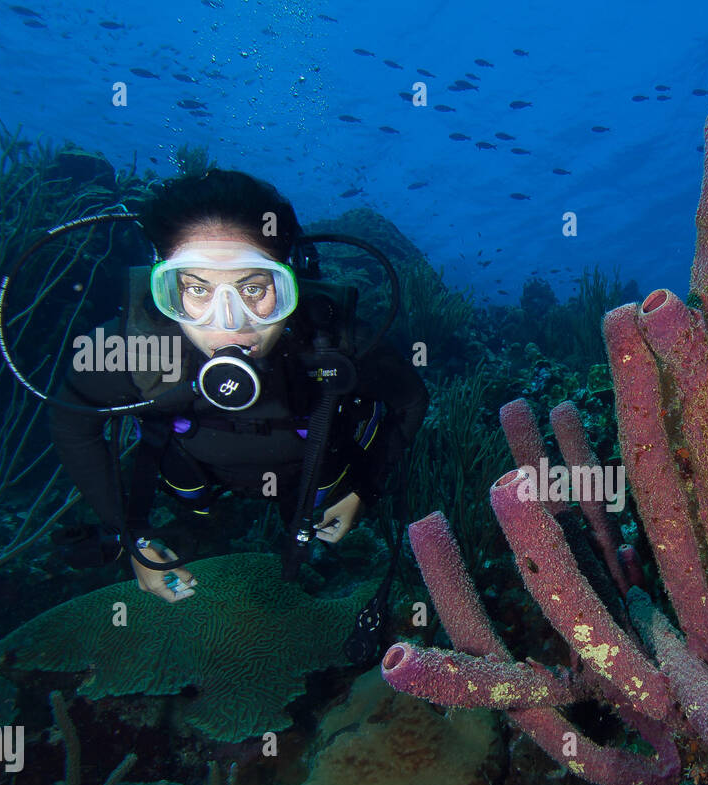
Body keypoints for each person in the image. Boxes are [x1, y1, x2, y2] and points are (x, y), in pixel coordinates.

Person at [49, 169, 427, 613]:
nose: (228, 322)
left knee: (311, 521)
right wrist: (132, 536)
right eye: (196, 289)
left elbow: (410, 399)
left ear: (290, 282)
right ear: (166, 289)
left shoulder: (335, 343)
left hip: (312, 479)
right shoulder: (137, 349)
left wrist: (364, 487)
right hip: (193, 481)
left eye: (253, 288)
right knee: (192, 511)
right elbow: (72, 418)